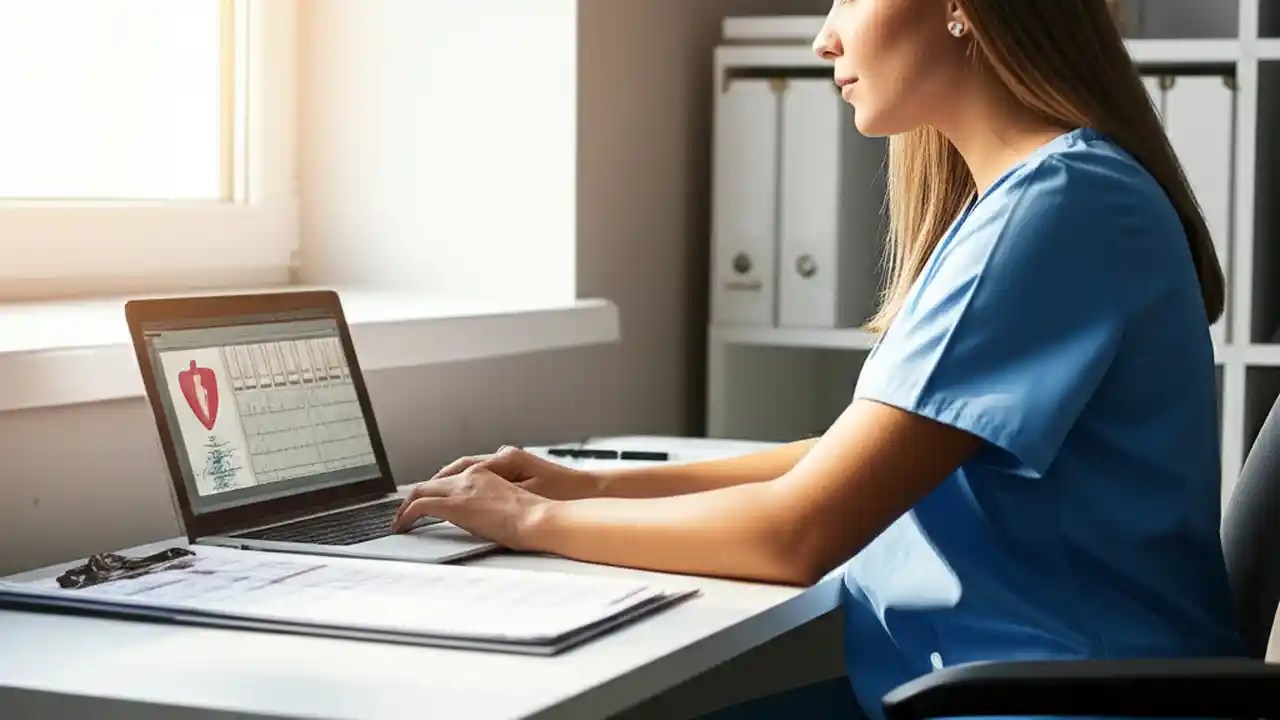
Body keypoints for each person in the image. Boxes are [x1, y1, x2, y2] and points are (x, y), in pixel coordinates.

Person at [392, 0, 1245, 716]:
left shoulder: (1059, 205)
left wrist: (530, 523)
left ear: (961, 7)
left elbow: (799, 531)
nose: (824, 36)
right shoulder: (1035, 197)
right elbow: (848, 461)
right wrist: (589, 484)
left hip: (1034, 697)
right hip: (974, 674)